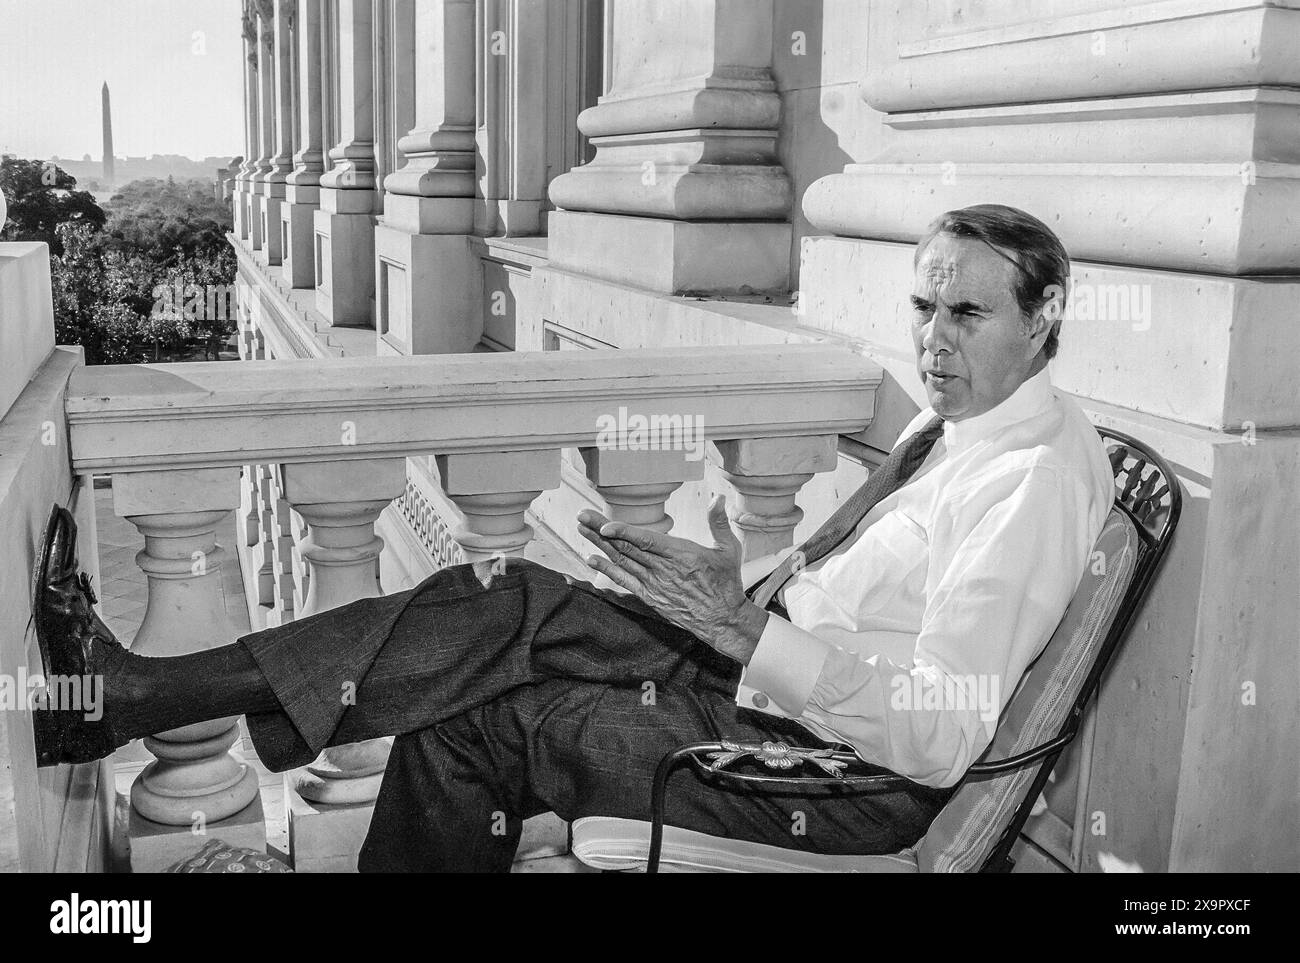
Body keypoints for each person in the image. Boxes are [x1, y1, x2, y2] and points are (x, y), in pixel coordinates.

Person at [31, 203, 1113, 871]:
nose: (929, 340)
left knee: (481, 723)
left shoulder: (1029, 484)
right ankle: (137, 696)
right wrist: (743, 594)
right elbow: (859, 593)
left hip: (836, 772)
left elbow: (938, 735)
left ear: (1044, 317)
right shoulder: (959, 419)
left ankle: (134, 701)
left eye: (964, 315)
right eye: (923, 306)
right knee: (500, 594)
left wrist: (745, 634)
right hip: (759, 669)